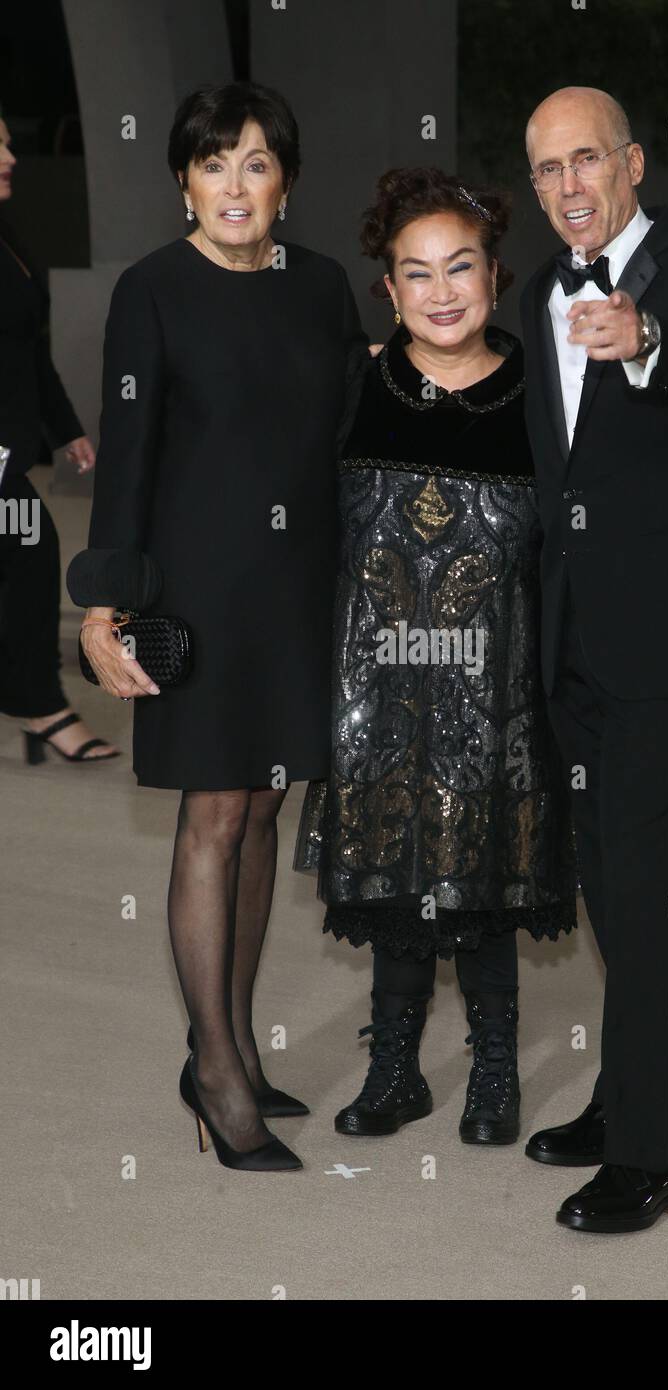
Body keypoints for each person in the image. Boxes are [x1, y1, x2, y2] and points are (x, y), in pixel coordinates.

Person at [67, 82, 368, 1172]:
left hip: (298, 588)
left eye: (254, 162)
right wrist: (105, 604)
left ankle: (236, 1039)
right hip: (196, 590)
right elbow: (130, 453)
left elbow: (348, 436)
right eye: (212, 163)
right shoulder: (153, 291)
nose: (234, 184)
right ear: (182, 179)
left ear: (285, 179)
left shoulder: (324, 287)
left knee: (265, 802)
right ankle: (216, 1071)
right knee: (214, 811)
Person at [296, 167, 577, 1146]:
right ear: (388, 289)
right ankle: (394, 1071)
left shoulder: (539, 397)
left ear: (495, 275)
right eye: (415, 273)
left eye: (460, 267)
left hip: (495, 700)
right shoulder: (355, 389)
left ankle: (494, 1072)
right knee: (393, 891)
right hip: (375, 695)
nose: (441, 290)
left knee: (486, 892)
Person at [519, 87, 668, 1232]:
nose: (568, 185)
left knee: (645, 888)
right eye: (546, 169)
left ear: (632, 164)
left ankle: (653, 1158)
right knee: (608, 881)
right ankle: (625, 1100)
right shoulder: (532, 291)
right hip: (566, 637)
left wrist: (645, 337)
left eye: (585, 160)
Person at [0, 109, 116, 763]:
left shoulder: (7, 237)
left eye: (10, 142)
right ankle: (39, 705)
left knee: (29, 561)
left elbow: (26, 352)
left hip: (10, 452)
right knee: (31, 556)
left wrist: (65, 428)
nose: (10, 155)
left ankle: (36, 703)